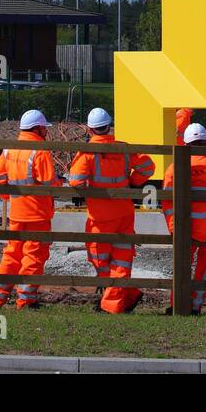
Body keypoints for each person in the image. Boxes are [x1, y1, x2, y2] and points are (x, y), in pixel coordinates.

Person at [67, 107, 155, 314]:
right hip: (124, 213)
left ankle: (112, 305)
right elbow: (148, 167)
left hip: (100, 216)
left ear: (89, 129)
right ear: (110, 126)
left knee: (100, 259)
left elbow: (76, 180)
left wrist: (91, 190)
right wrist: (133, 183)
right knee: (122, 260)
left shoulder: (88, 153)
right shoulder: (123, 148)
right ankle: (129, 294)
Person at [0, 109, 65, 309]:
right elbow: (49, 183)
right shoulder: (39, 150)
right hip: (37, 215)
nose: (46, 132)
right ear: (38, 129)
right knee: (33, 257)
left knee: (12, 254)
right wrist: (60, 182)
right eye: (44, 128)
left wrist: (11, 197)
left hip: (17, 213)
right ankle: (26, 300)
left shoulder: (9, 149)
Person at [162, 122, 206, 314]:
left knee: (181, 267)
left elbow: (167, 202)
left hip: (183, 227)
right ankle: (195, 306)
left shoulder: (174, 167)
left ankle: (176, 304)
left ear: (185, 145)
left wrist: (173, 226)